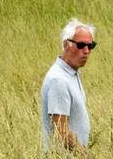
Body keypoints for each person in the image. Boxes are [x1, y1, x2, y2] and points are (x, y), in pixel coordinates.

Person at [40, 19, 94, 152]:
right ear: (66, 45)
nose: (86, 51)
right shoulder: (59, 80)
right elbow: (61, 132)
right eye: (81, 45)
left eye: (90, 46)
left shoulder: (71, 73)